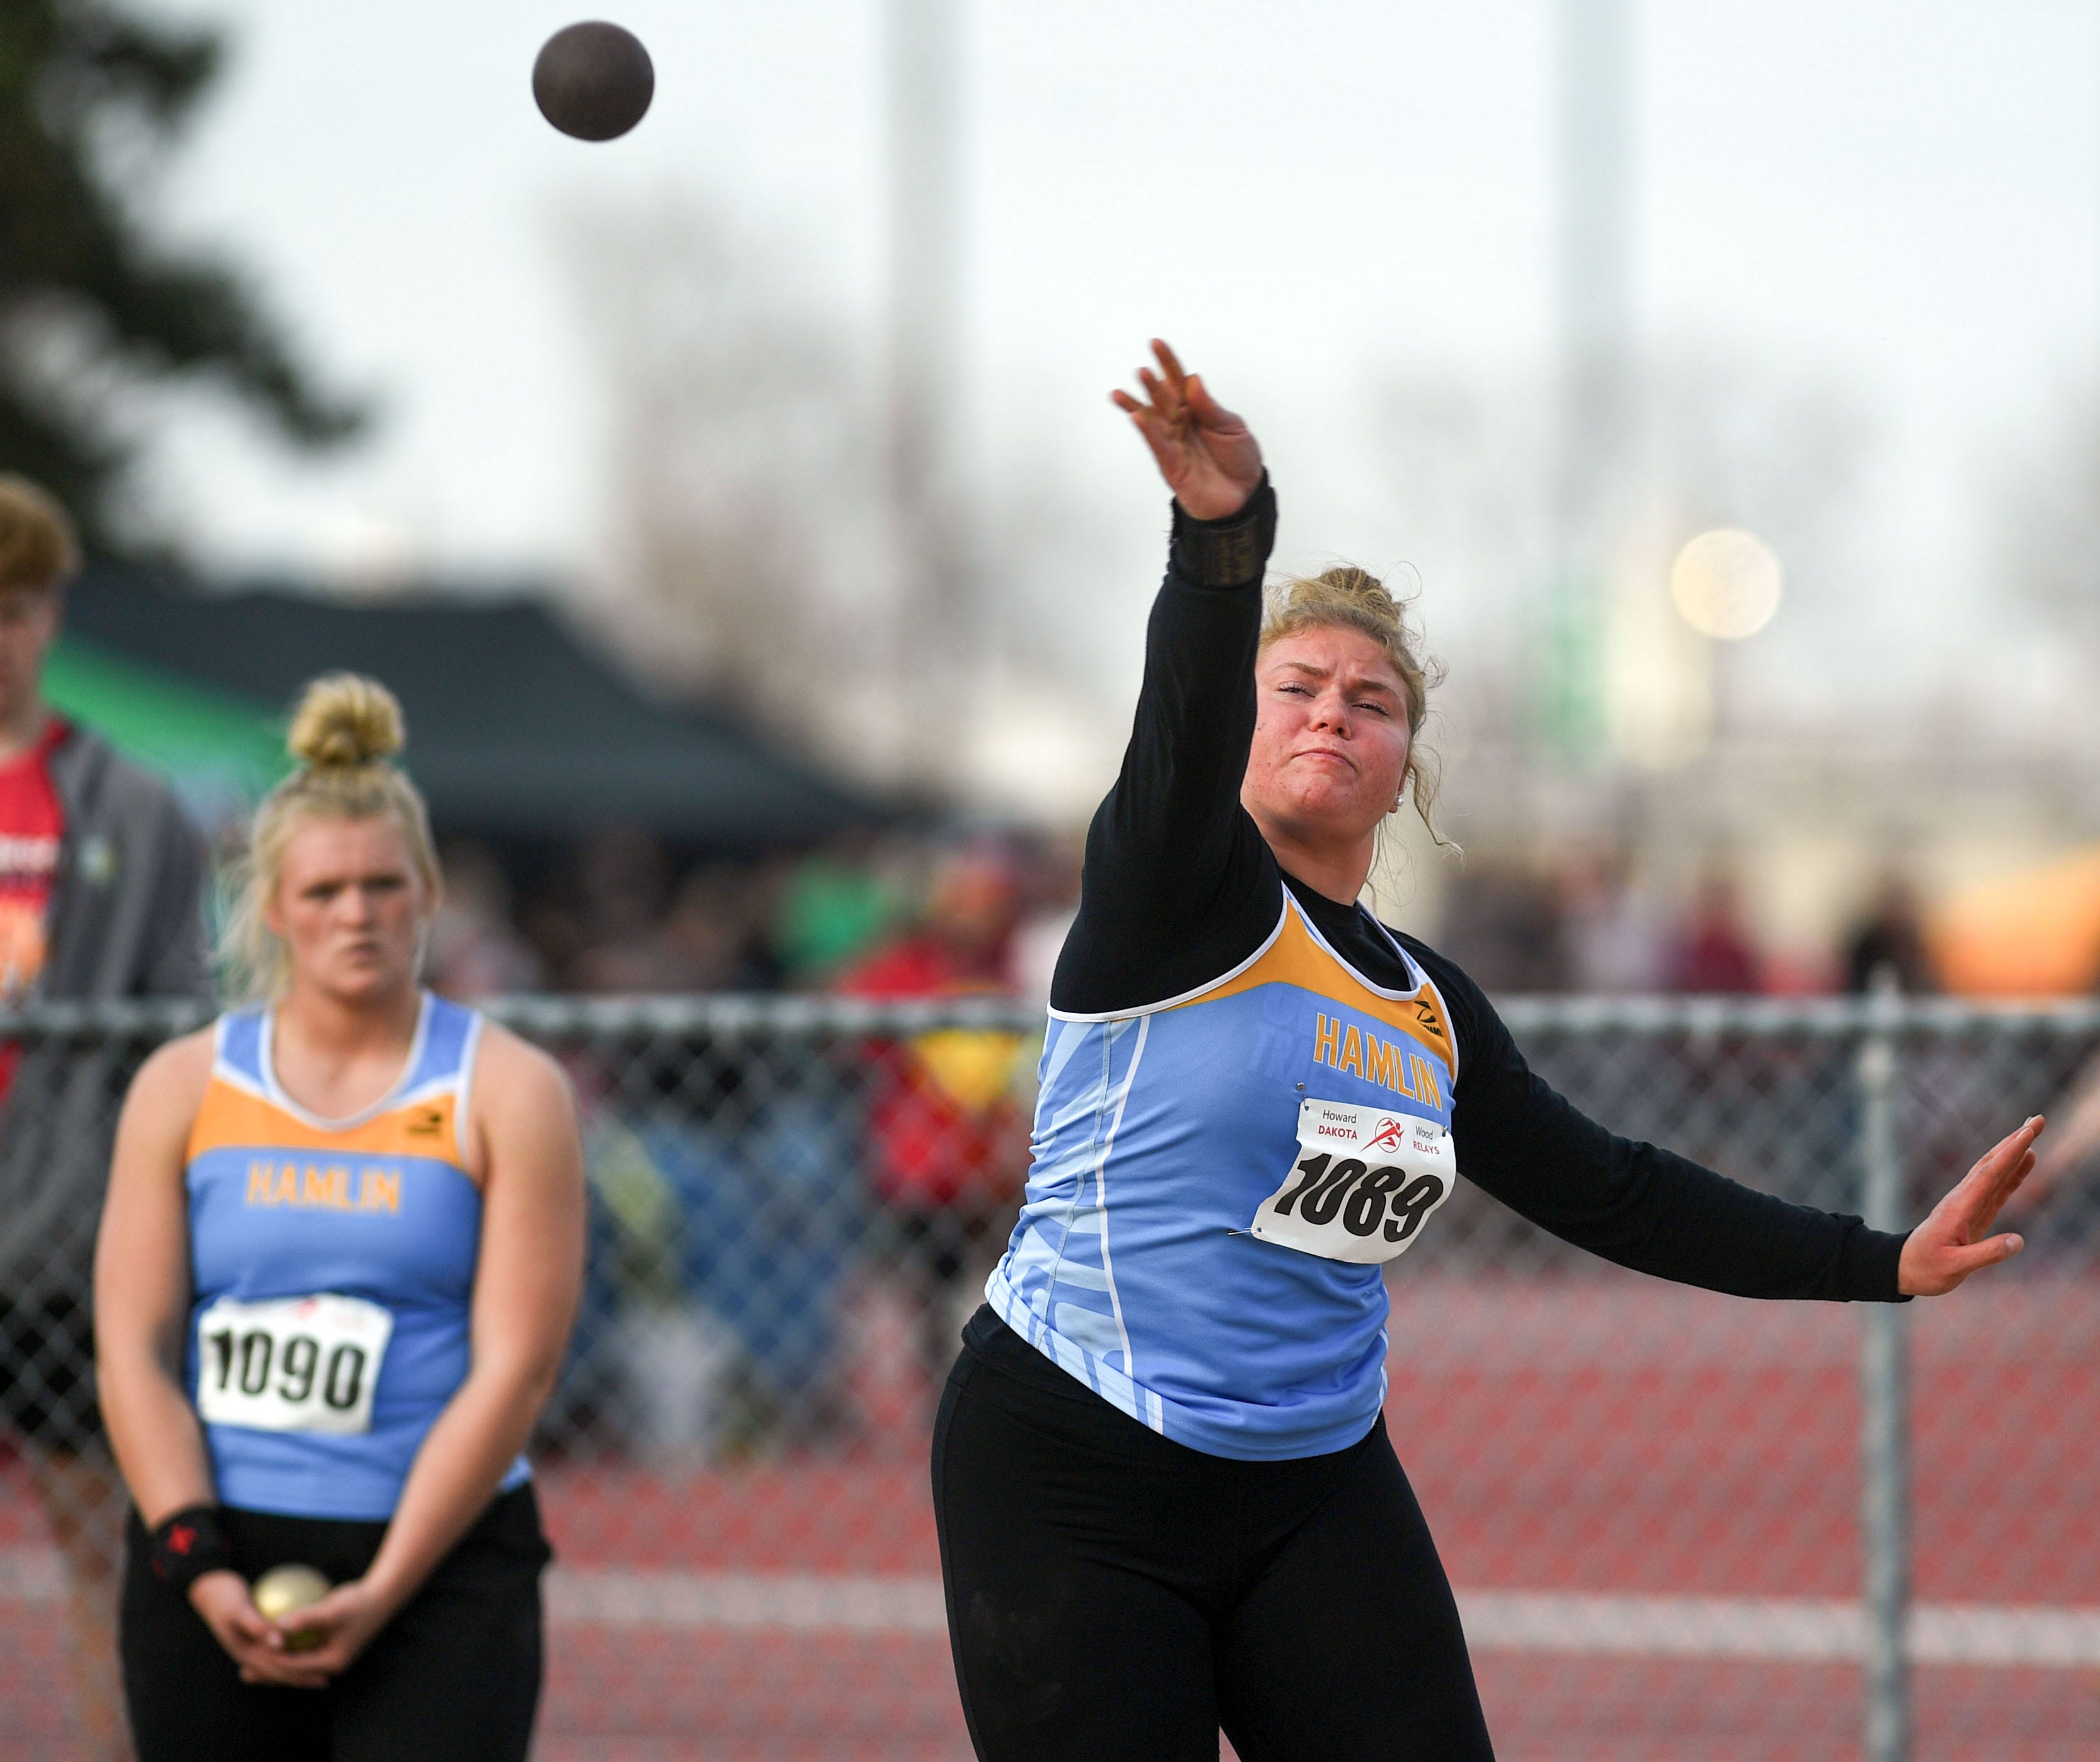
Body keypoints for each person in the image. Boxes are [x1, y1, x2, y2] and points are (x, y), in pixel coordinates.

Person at [931, 342, 2043, 1762]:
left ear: (1405, 769)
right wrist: (1222, 536)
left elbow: (1613, 1190)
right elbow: (1179, 713)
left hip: (1312, 1479)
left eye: (1372, 700)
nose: (1334, 708)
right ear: (1243, 731)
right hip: (1076, 1461)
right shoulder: (1172, 898)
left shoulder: (1429, 1008)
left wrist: (1876, 1259)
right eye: (1299, 689)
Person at [94, 675, 586, 1762]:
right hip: (216, 1552)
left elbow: (519, 1372)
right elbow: (130, 1347)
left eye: (381, 886)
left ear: (428, 894)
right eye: (323, 893)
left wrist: (386, 1587)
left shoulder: (507, 1090)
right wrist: (197, 1559)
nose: (355, 915)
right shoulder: (182, 1086)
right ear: (271, 907)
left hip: (439, 1564)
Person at [0, 474, 213, 1761]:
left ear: (53, 613)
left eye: (15, 608)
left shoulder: (129, 804)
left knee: (106, 1557)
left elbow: (178, 1023)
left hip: (67, 1243)